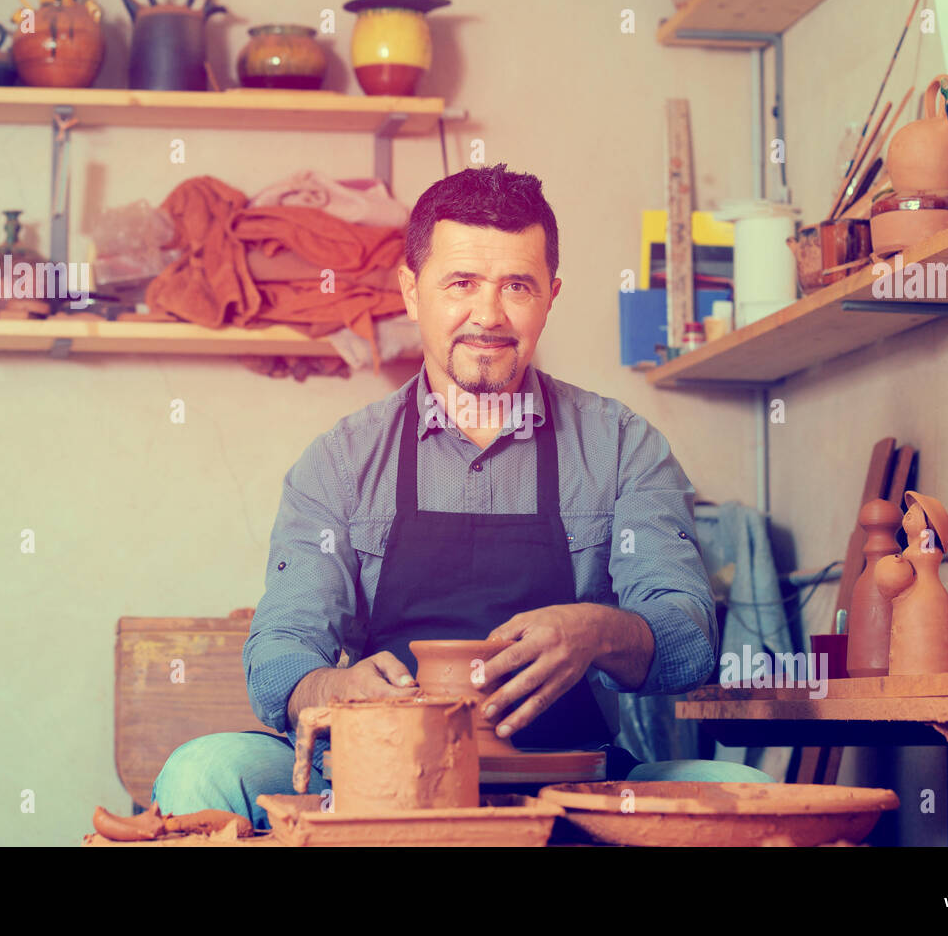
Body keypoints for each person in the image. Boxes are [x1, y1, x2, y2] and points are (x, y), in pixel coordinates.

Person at [153, 164, 771, 828]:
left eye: (517, 286)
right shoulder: (340, 461)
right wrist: (332, 687)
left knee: (738, 789)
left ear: (551, 295)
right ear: (412, 293)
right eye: (462, 284)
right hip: (377, 786)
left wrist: (599, 632)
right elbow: (279, 655)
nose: (490, 315)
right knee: (201, 772)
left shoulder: (622, 446)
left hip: (567, 781)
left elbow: (691, 641)